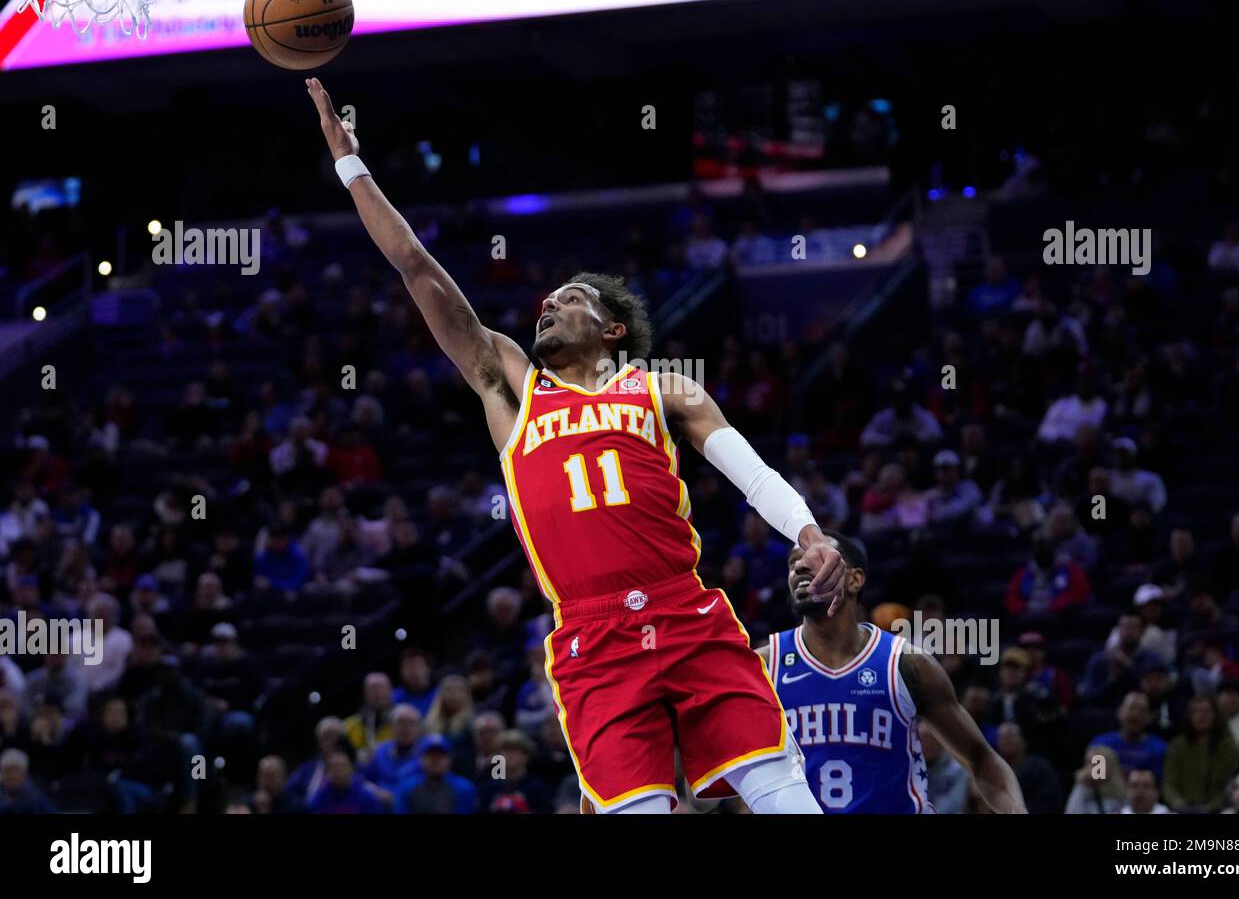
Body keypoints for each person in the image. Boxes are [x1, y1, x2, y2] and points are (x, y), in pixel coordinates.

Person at [308, 78, 847, 814]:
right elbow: (417, 267)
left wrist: (809, 533)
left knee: (781, 792)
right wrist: (351, 166)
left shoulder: (664, 389)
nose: (548, 303)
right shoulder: (511, 388)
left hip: (686, 611)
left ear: (612, 329)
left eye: (569, 299)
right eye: (548, 298)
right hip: (591, 638)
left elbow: (752, 475)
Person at [761, 532, 1025, 814]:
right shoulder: (764, 665)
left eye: (817, 556)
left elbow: (982, 759)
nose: (799, 566)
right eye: (793, 562)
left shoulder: (907, 664)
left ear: (854, 579)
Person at [1163, 695, 1239, 813]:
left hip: (1218, 809)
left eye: (1206, 711)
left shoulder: (1228, 747)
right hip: (1182, 808)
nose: (1200, 715)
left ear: (1215, 715)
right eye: (1195, 711)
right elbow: (1169, 783)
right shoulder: (1177, 746)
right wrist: (1179, 804)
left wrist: (1212, 806)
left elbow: (1231, 783)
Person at [393, 736, 477, 814]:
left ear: (450, 759)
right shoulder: (406, 787)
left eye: (440, 756)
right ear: (421, 759)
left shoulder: (464, 788)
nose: (435, 761)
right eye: (430, 756)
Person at [1064, 745, 1126, 814]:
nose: (1090, 768)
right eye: (1088, 762)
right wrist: (1082, 784)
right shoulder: (1083, 788)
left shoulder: (1120, 792)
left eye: (1096, 763)